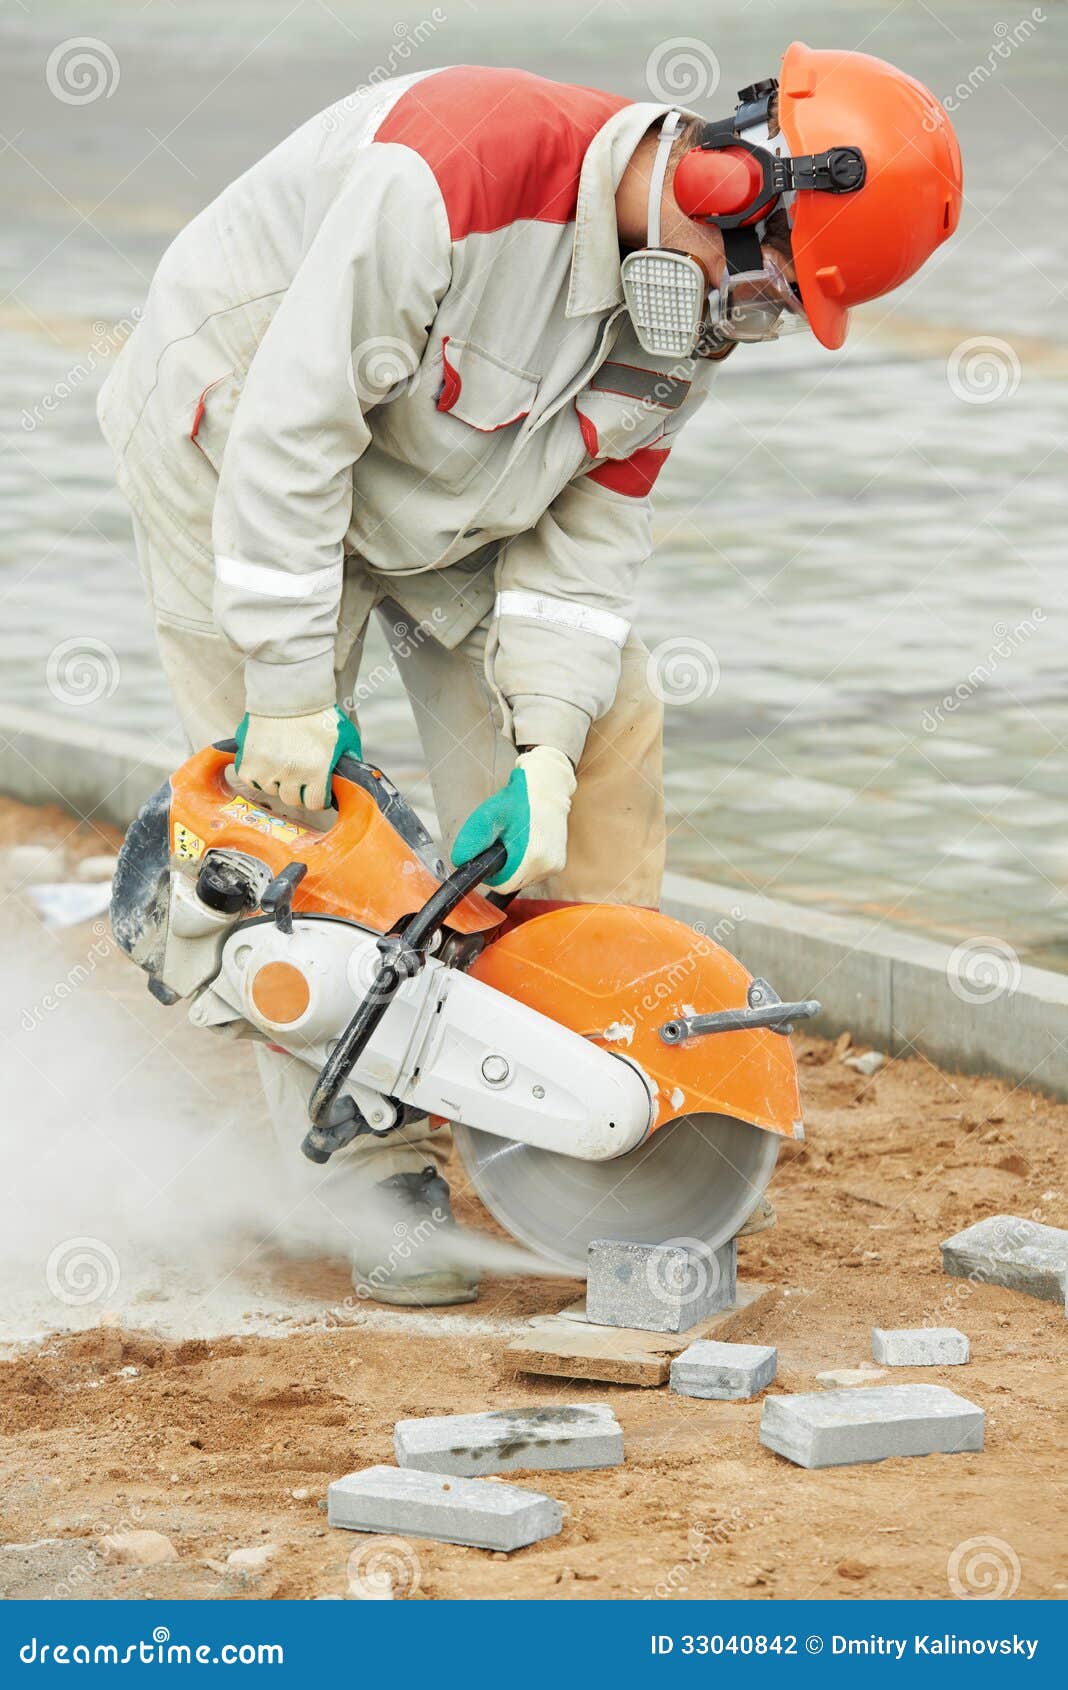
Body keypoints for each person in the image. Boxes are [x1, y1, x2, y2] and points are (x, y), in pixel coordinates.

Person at [98, 46, 962, 1304]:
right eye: (763, 280)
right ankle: (360, 1166)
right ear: (726, 181)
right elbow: (295, 436)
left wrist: (543, 752)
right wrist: (288, 696)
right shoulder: (457, 172)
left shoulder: (689, 312)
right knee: (290, 824)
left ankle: (608, 1079)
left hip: (458, 485)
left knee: (609, 710)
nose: (748, 317)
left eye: (779, 307)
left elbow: (585, 546)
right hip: (239, 442)